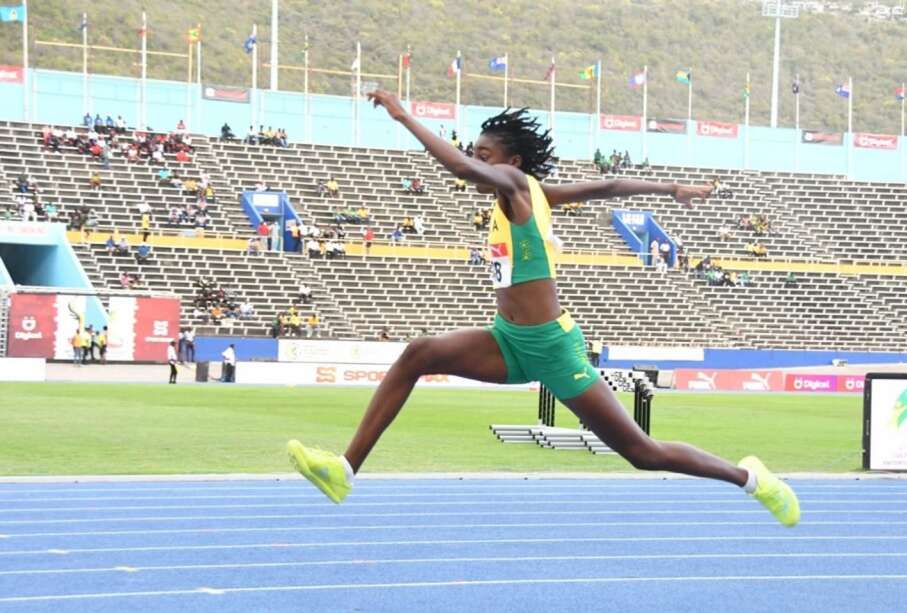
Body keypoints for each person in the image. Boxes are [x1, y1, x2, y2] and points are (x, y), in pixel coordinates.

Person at [285, 89, 800, 528]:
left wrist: (403, 116)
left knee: (642, 453)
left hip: (552, 348)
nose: (475, 159)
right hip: (507, 341)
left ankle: (751, 479)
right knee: (418, 354)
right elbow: (608, 186)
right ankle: (344, 471)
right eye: (475, 151)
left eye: (485, 154)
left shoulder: (513, 187)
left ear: (511, 163)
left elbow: (460, 168)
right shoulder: (532, 190)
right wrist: (670, 188)